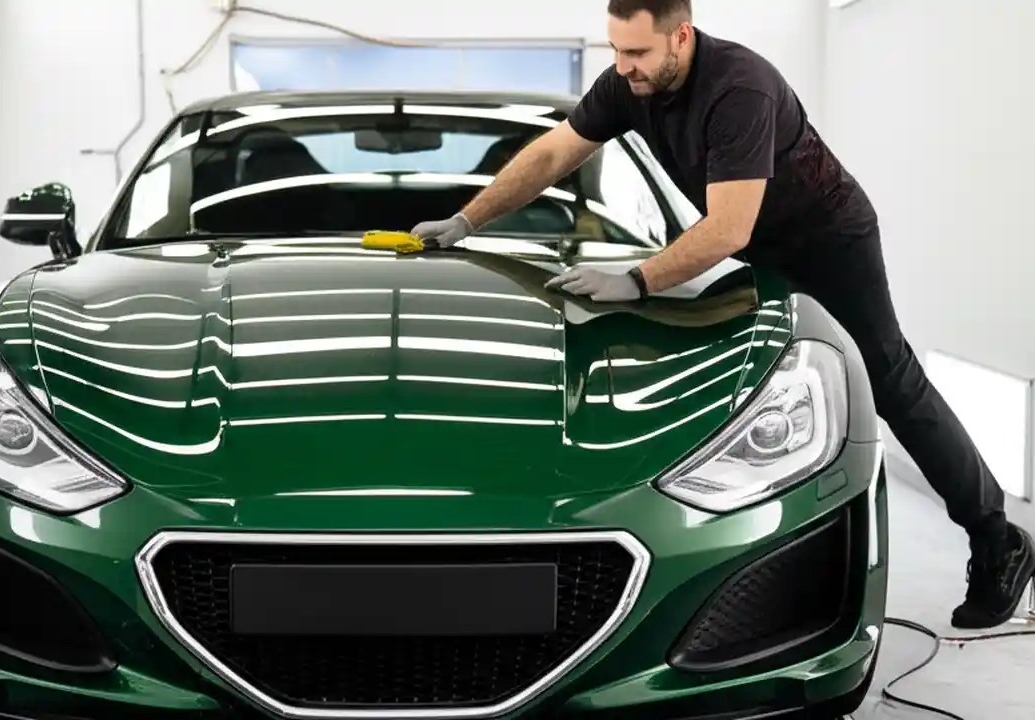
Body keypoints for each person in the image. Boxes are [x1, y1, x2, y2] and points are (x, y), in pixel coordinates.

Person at [410, 0, 1034, 629]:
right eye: (616, 52)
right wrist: (467, 219)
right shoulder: (628, 83)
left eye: (637, 53)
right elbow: (552, 156)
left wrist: (636, 278)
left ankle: (997, 539)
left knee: (890, 380)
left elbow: (727, 229)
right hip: (761, 249)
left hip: (828, 241)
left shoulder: (740, 89)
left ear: (680, 37)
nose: (624, 68)